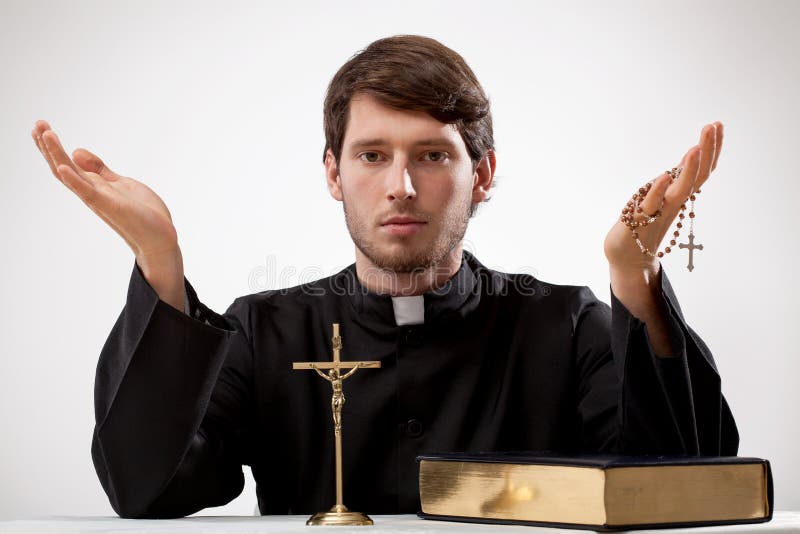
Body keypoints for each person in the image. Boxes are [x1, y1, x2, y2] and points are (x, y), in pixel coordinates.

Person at [31, 35, 738, 519]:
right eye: (372, 156)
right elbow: (147, 491)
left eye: (432, 156)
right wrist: (161, 264)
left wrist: (634, 276)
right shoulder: (261, 330)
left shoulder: (570, 324)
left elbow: (679, 487)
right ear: (334, 174)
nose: (401, 185)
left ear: (482, 175)